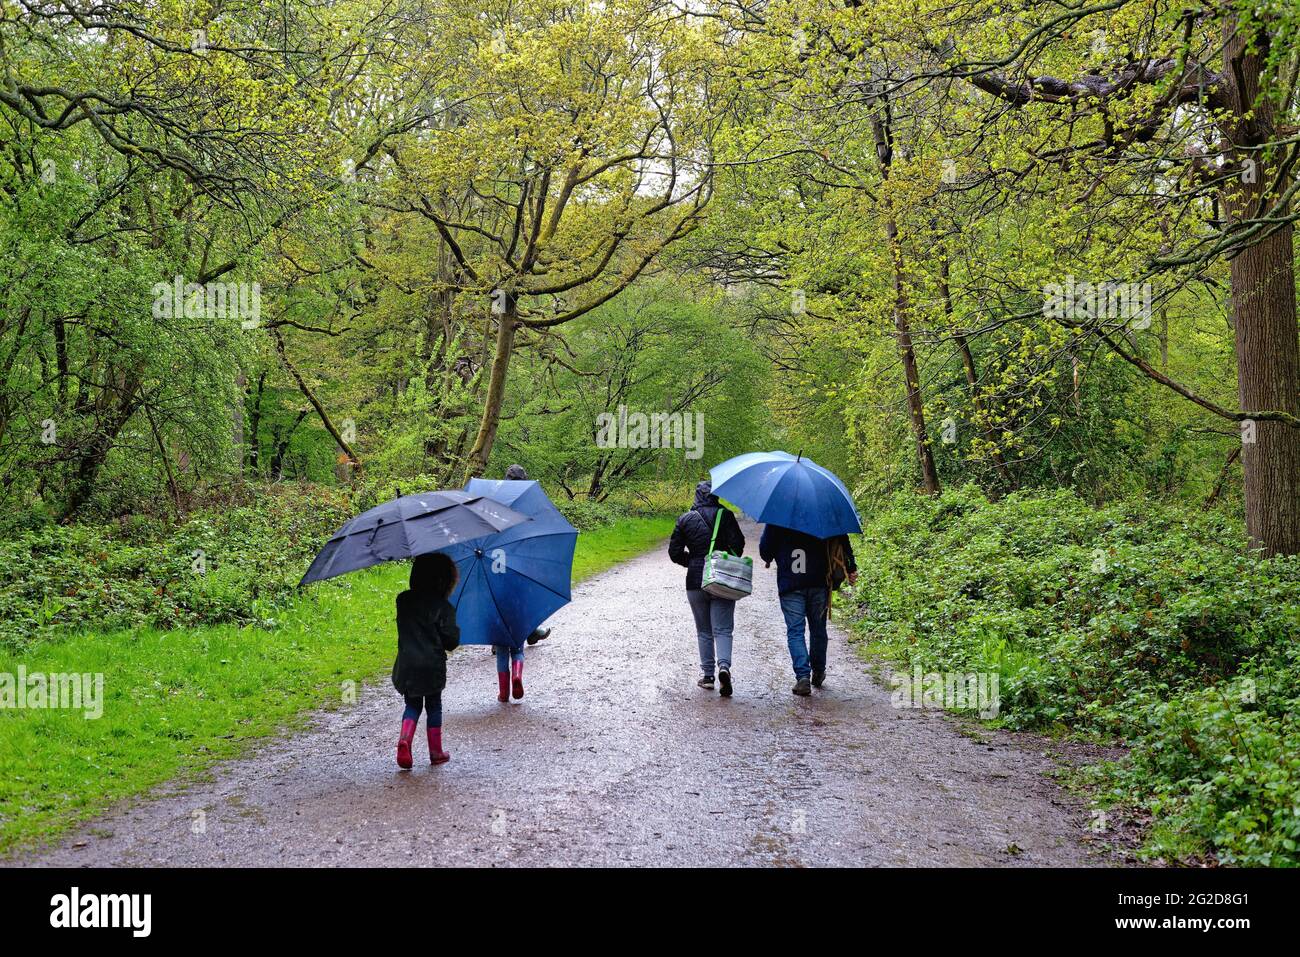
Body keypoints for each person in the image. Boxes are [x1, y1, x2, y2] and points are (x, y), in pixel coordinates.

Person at [759, 526, 857, 696]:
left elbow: (765, 551)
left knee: (795, 631)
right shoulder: (823, 514)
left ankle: (803, 677)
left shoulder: (778, 516)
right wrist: (851, 567)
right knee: (818, 629)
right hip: (819, 582)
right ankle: (818, 671)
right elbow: (842, 539)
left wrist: (774, 554)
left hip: (790, 584)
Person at [669, 480, 746, 696]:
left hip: (695, 580)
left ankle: (708, 676)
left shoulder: (685, 519)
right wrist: (722, 558)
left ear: (697, 495)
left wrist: (693, 561)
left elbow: (674, 553)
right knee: (722, 629)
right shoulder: (726, 515)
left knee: (703, 631)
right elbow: (738, 547)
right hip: (721, 578)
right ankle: (724, 667)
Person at [392, 552, 461, 768]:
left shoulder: (403, 600)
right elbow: (450, 641)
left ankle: (405, 740)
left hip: (407, 664)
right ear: (445, 581)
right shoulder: (444, 608)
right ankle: (436, 751)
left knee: (412, 705)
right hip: (431, 666)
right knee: (434, 706)